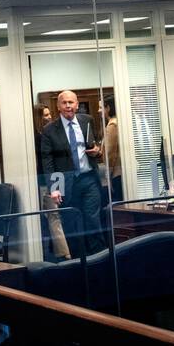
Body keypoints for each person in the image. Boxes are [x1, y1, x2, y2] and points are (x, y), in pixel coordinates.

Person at [39, 90, 105, 256]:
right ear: (58, 106)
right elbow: (48, 161)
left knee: (93, 220)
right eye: (64, 103)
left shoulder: (87, 120)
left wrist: (97, 152)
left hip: (89, 179)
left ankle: (99, 259)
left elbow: (95, 147)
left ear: (76, 104)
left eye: (71, 102)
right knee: (71, 223)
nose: (68, 106)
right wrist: (54, 188)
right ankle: (78, 262)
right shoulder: (49, 130)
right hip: (67, 183)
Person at [33, 103, 69, 260]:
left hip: (57, 177)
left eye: (49, 114)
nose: (49, 117)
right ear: (38, 117)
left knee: (57, 214)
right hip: (45, 180)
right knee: (54, 215)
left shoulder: (48, 133)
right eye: (45, 115)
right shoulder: (38, 137)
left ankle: (61, 251)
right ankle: (64, 253)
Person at [101, 95, 123, 203]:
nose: (99, 110)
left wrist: (108, 174)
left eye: (101, 107)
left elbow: (110, 153)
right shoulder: (119, 122)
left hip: (116, 173)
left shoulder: (112, 125)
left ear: (108, 108)